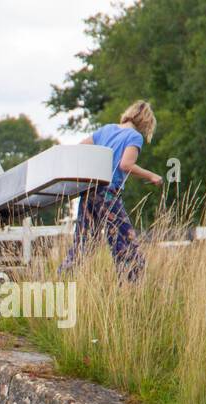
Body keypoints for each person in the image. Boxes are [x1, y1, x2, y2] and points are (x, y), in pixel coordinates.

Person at [62, 100, 161, 282]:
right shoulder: (134, 136)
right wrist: (152, 176)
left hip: (90, 190)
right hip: (108, 194)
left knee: (84, 239)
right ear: (145, 122)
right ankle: (132, 283)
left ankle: (65, 276)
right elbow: (126, 165)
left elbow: (81, 147)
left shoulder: (106, 129)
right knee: (124, 239)